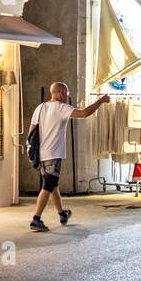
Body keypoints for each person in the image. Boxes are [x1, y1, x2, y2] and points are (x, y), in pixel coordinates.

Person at [29, 83, 110, 231]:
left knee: (53, 185)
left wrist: (31, 152)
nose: (67, 96)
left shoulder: (39, 108)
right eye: (66, 93)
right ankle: (36, 219)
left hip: (41, 154)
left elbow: (31, 131)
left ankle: (62, 214)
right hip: (53, 154)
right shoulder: (61, 107)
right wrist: (101, 101)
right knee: (47, 186)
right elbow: (84, 113)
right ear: (60, 92)